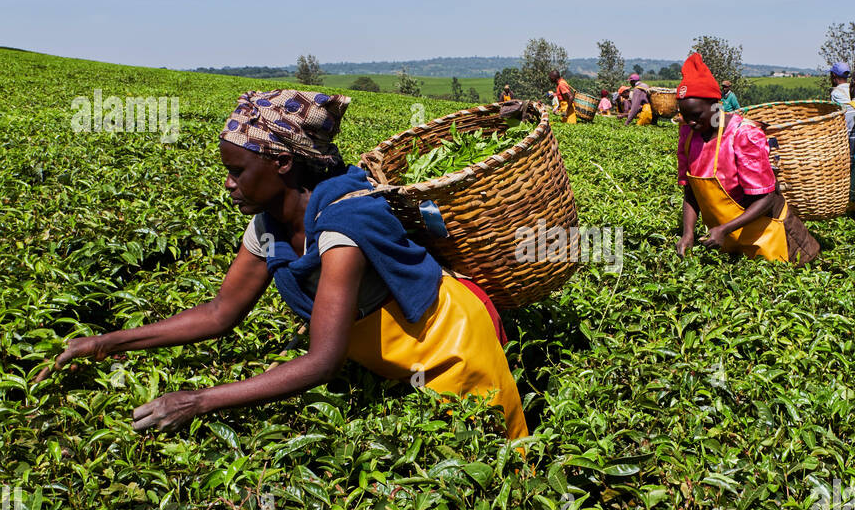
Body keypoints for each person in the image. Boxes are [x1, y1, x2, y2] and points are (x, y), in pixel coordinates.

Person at [37, 89, 529, 440]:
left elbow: (322, 360)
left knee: (491, 466)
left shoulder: (342, 228)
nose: (228, 183)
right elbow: (219, 314)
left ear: (282, 164)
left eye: (237, 171)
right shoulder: (268, 226)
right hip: (388, 356)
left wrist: (198, 399)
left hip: (450, 347)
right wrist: (105, 343)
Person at [675, 53, 818, 264]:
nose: (692, 122)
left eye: (697, 115)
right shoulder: (688, 136)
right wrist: (688, 233)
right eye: (686, 117)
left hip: (771, 237)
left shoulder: (743, 134)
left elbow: (766, 198)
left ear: (716, 105)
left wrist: (724, 229)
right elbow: (691, 191)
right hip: (729, 241)